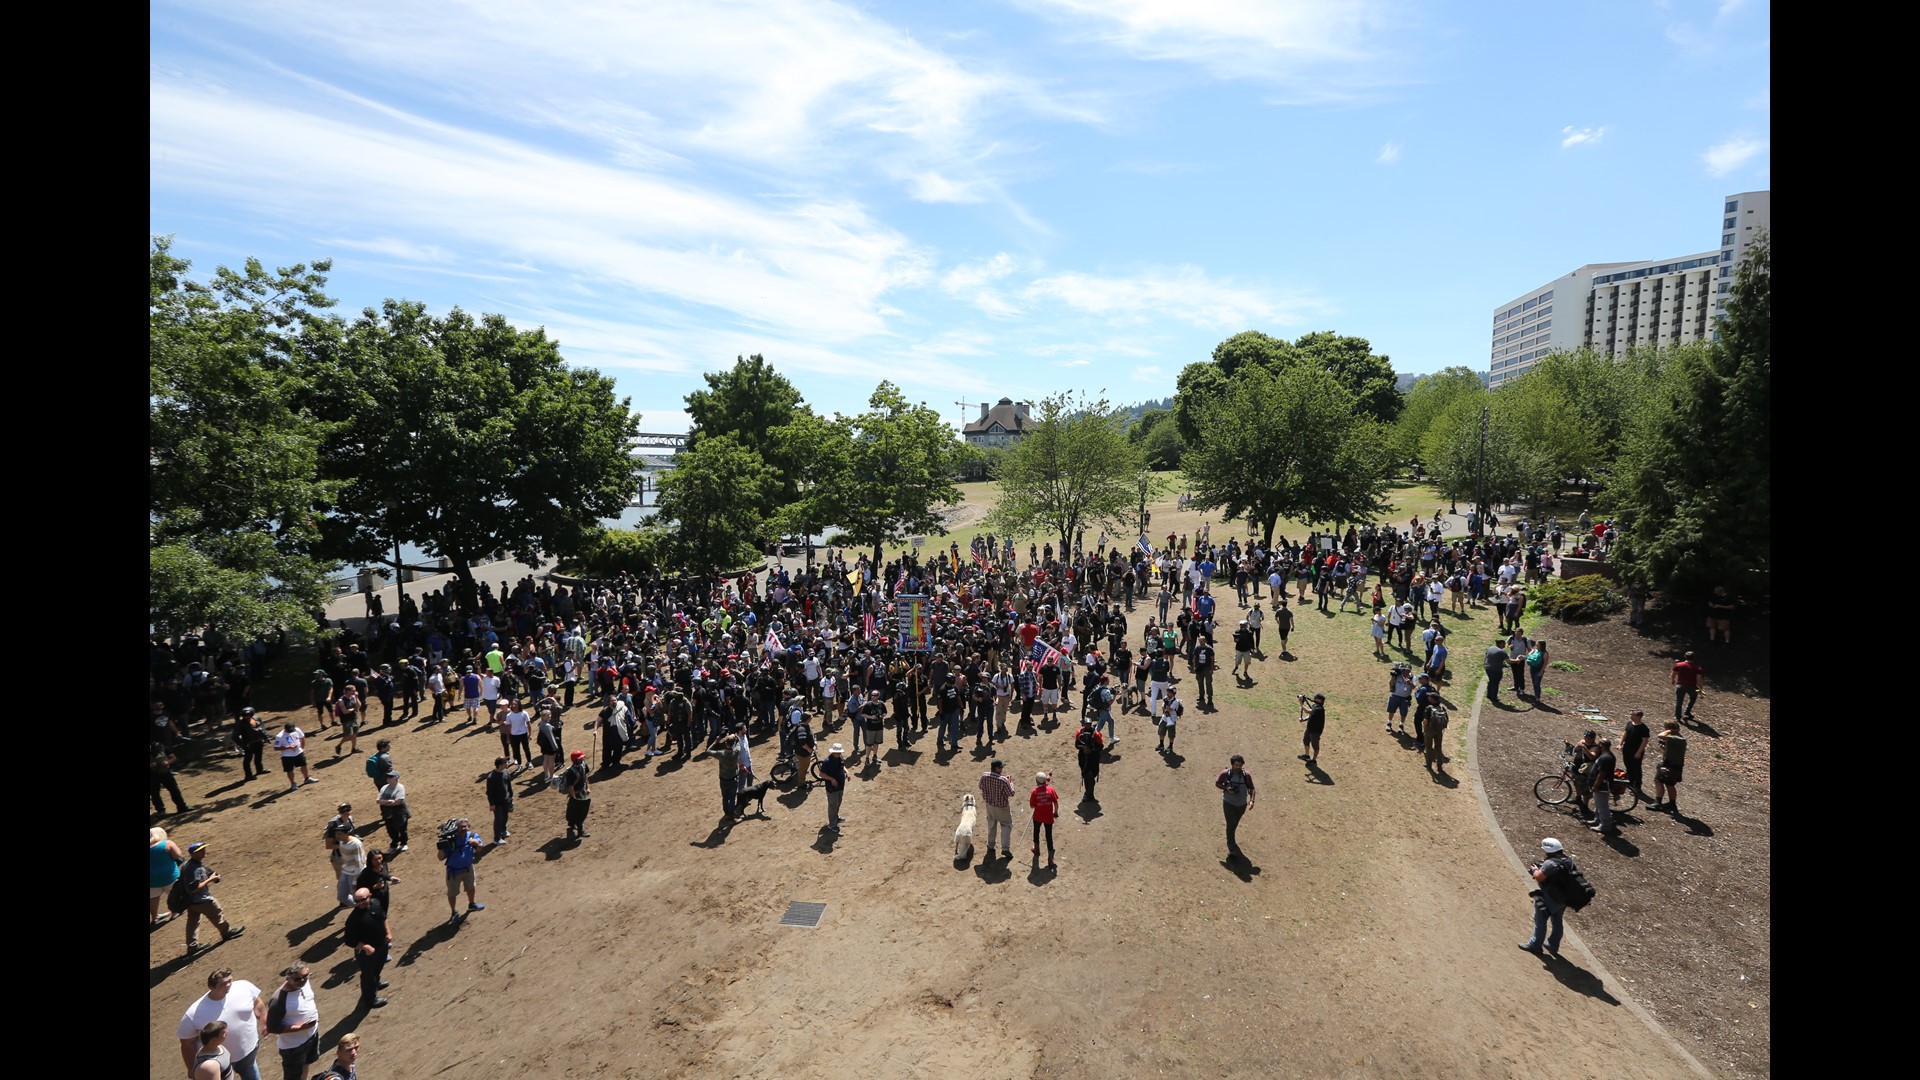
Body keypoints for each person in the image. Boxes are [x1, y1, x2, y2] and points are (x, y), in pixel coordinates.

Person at [178, 968, 267, 1080]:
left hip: (247, 1052)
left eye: (230, 980)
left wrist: (264, 1020)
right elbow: (186, 1043)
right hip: (217, 1063)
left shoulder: (244, 987)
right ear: (211, 986)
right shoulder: (193, 1014)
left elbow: (257, 1002)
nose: (229, 985)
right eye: (223, 983)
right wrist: (192, 1068)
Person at [180, 841, 246, 954]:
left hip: (191, 902)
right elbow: (194, 887)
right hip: (202, 900)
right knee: (217, 914)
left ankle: (192, 946)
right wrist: (210, 880)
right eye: (200, 851)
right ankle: (227, 933)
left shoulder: (188, 865)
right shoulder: (195, 869)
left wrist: (214, 877)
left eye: (203, 849)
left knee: (192, 923)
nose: (204, 852)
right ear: (194, 854)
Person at [1519, 837, 1575, 957]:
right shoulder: (1568, 861)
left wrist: (1534, 870)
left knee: (1540, 919)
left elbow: (1539, 877)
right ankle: (1553, 945)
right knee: (1557, 921)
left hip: (1551, 897)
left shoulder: (1550, 863)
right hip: (1564, 898)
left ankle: (1535, 945)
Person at [268, 964, 321, 1080]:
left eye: (305, 976)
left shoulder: (305, 982)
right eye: (297, 979)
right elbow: (272, 1027)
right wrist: (302, 1027)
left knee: (306, 1064)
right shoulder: (278, 1001)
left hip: (311, 1035)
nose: (302, 980)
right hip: (294, 1047)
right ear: (288, 979)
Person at [342, 888, 392, 1009]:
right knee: (368, 975)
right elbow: (349, 940)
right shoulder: (353, 919)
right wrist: (365, 947)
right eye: (356, 901)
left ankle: (376, 983)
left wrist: (388, 933)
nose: (359, 903)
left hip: (381, 945)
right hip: (366, 953)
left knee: (378, 967)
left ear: (369, 896)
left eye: (362, 900)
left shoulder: (376, 903)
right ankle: (370, 999)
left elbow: (383, 918)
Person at [437, 817, 486, 925]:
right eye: (460, 827)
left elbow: (480, 849)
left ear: (468, 827)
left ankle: (471, 904)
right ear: (456, 828)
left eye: (465, 826)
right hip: (453, 872)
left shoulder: (473, 836)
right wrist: (441, 848)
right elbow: (440, 857)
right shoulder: (451, 840)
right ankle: (453, 912)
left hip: (468, 868)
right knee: (452, 893)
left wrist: (476, 844)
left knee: (471, 887)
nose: (463, 829)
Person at [1216, 754, 1255, 860]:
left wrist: (1251, 800)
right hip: (1229, 803)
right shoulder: (1225, 774)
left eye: (1239, 765)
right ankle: (1231, 848)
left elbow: (1251, 788)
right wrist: (1227, 788)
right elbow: (1218, 784)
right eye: (1236, 765)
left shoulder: (1246, 775)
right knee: (1231, 824)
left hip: (1241, 805)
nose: (1238, 767)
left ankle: (1231, 841)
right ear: (1232, 764)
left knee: (1234, 824)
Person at [978, 759, 1016, 861]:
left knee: (991, 824)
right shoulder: (1003, 780)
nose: (1002, 769)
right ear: (997, 768)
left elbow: (980, 786)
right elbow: (1011, 793)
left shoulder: (984, 776)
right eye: (1001, 767)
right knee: (1006, 825)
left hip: (989, 805)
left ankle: (991, 845)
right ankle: (1005, 848)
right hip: (1002, 807)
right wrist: (1010, 782)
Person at [1649, 720, 1688, 814]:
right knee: (1669, 784)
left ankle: (1658, 802)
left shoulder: (1676, 738)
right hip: (1674, 765)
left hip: (1670, 766)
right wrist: (1664, 748)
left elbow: (1660, 735)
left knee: (1659, 781)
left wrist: (1668, 731)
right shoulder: (1679, 739)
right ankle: (1672, 804)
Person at [152, 826, 186, 928]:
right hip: (169, 876)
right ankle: (174, 912)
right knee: (173, 894)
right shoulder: (167, 844)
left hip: (151, 880)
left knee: (153, 898)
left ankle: (154, 917)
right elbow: (178, 856)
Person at [1587, 738, 1619, 835]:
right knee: (1598, 804)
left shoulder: (1605, 758)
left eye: (1599, 744)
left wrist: (1596, 785)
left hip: (1602, 785)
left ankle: (1605, 826)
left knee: (1602, 806)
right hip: (1601, 785)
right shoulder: (1607, 755)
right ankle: (1597, 819)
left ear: (1602, 745)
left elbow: (1602, 774)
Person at [151, 743, 191, 816]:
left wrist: (167, 762)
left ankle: (182, 807)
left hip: (165, 772)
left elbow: (173, 757)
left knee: (174, 789)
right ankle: (161, 811)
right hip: (152, 775)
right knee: (155, 793)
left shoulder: (163, 747)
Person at [273, 723, 316, 790]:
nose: (291, 731)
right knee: (289, 770)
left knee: (304, 765)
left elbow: (302, 737)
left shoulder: (297, 729)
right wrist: (288, 747)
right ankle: (293, 783)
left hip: (298, 752)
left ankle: (307, 778)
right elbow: (276, 748)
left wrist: (302, 748)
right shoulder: (279, 736)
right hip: (287, 756)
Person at [376, 769, 410, 855]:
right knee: (390, 829)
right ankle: (394, 844)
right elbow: (378, 800)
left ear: (396, 778)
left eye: (390, 777)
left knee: (402, 828)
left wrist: (385, 802)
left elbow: (398, 802)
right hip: (388, 812)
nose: (388, 778)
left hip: (399, 811)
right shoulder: (384, 787)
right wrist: (389, 802)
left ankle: (403, 843)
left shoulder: (400, 787)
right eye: (388, 776)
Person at [1029, 771, 1059, 868]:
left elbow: (1032, 806)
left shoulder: (1034, 792)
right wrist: (1055, 812)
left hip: (1037, 816)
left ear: (1037, 781)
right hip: (1048, 816)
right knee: (1048, 835)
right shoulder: (1050, 790)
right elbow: (1055, 803)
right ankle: (1050, 858)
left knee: (1036, 832)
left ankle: (1036, 849)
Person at [562, 748, 593, 840]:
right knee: (580, 812)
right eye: (580, 759)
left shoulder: (583, 766)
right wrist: (574, 798)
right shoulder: (570, 772)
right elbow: (570, 786)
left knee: (575, 810)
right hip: (575, 793)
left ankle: (571, 823)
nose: (582, 760)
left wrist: (588, 787)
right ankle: (581, 830)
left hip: (582, 791)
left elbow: (585, 776)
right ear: (575, 760)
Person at [1621, 710, 1652, 796]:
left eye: (1633, 715)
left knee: (1636, 768)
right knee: (1628, 766)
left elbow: (1645, 741)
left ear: (1639, 717)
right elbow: (1625, 733)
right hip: (1627, 749)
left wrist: (1639, 752)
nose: (1631, 716)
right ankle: (1630, 782)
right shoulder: (1629, 724)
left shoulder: (1643, 728)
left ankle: (1637, 786)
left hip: (1636, 751)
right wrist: (1620, 744)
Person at [485, 756, 515, 844]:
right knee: (498, 819)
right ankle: (497, 838)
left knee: (505, 817)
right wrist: (492, 804)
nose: (507, 764)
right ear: (500, 765)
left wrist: (511, 795)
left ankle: (504, 830)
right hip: (497, 803)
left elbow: (508, 784)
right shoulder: (491, 777)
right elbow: (489, 792)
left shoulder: (506, 772)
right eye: (505, 762)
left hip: (505, 800)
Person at [820, 743, 848, 834]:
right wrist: (831, 779)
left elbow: (842, 766)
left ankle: (836, 817)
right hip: (831, 788)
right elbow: (821, 774)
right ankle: (832, 825)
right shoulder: (827, 762)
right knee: (832, 805)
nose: (839, 754)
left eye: (839, 752)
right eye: (837, 752)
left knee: (838, 802)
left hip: (840, 786)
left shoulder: (840, 758)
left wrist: (847, 772)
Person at [1075, 719, 1104, 804]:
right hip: (1083, 758)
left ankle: (1088, 794)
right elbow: (1077, 744)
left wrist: (1091, 750)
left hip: (1093, 759)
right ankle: (1089, 793)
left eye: (1089, 724)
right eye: (1086, 724)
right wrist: (1083, 748)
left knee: (1091, 776)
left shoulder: (1096, 734)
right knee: (1086, 775)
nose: (1087, 726)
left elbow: (1100, 746)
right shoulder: (1079, 733)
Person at [1672, 651, 1702, 723]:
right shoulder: (1697, 668)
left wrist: (1673, 680)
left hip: (1680, 685)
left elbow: (1673, 674)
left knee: (1679, 701)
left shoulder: (1678, 665)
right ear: (1693, 658)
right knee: (1693, 698)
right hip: (1692, 686)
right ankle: (1687, 712)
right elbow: (1699, 679)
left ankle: (1677, 716)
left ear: (1685, 656)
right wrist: (1700, 688)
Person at [1299, 692, 1325, 765]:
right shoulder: (1314, 706)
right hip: (1309, 729)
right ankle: (1307, 756)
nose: (1314, 698)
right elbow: (1311, 715)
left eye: (1316, 698)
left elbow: (1308, 711)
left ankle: (1314, 760)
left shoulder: (1319, 709)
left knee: (1315, 746)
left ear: (1320, 701)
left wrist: (1301, 703)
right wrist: (1304, 719)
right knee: (1306, 741)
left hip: (1315, 731)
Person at [1385, 666, 1412, 735]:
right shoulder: (1397, 676)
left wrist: (1410, 683)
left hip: (1405, 698)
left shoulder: (1412, 677)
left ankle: (1401, 725)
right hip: (1395, 696)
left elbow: (1414, 687)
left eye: (1408, 670)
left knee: (1403, 713)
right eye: (1405, 670)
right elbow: (1391, 684)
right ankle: (1389, 723)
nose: (1406, 672)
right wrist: (1393, 677)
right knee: (1391, 711)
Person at [1191, 635, 1216, 708]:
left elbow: (1212, 659)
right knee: (1200, 682)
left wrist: (1212, 668)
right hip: (1199, 668)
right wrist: (1194, 667)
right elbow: (1195, 658)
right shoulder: (1197, 648)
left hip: (1207, 668)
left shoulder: (1209, 649)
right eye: (1200, 641)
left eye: (1202, 641)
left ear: (1205, 641)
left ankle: (1210, 699)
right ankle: (1201, 696)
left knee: (1208, 683)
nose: (1201, 642)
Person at [1157, 687, 1184, 753]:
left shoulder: (1175, 702)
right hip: (1164, 718)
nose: (1167, 694)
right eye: (1167, 692)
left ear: (1173, 694)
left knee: (1171, 734)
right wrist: (1165, 704)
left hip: (1172, 720)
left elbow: (1169, 709)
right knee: (1161, 731)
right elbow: (1163, 707)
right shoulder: (1166, 698)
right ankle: (1161, 744)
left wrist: (1166, 704)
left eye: (1169, 692)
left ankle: (1170, 746)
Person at [1483, 640, 1508, 705]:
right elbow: (1509, 661)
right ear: (1500, 644)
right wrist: (1518, 659)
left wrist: (1484, 665)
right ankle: (1494, 697)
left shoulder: (1490, 648)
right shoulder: (1502, 652)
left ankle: (1489, 695)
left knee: (1491, 681)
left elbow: (1485, 657)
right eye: (1504, 644)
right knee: (1495, 683)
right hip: (1496, 670)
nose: (1504, 645)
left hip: (1488, 668)